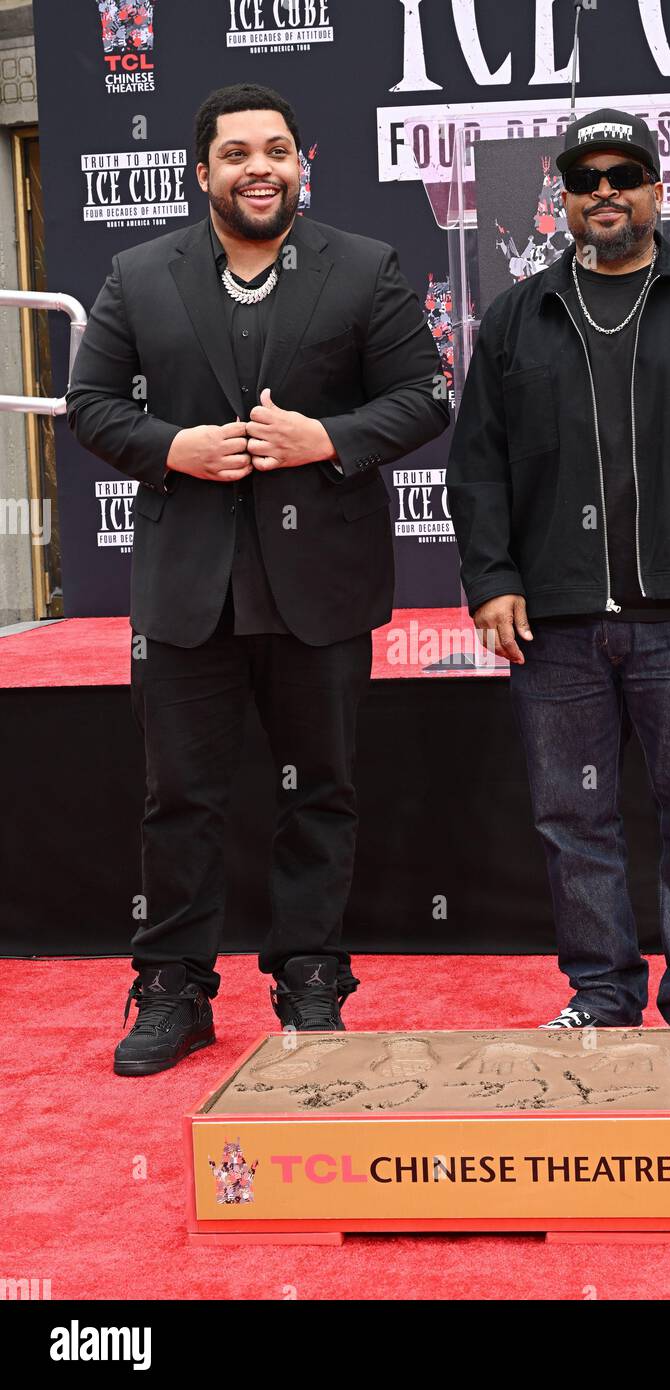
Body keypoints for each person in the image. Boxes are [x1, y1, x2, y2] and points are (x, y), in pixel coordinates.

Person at [66, 83, 450, 1075]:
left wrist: (329, 437)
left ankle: (312, 974)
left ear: (298, 163)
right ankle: (174, 988)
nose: (259, 167)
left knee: (319, 790)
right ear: (202, 174)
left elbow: (422, 398)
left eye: (276, 149)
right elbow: (91, 405)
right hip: (189, 591)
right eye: (236, 153)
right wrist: (172, 447)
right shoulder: (138, 274)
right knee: (179, 797)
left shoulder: (366, 269)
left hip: (320, 585)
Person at [447, 108, 670, 1078]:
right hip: (558, 623)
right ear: (561, 198)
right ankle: (603, 996)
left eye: (624, 174)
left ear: (657, 191)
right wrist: (490, 580)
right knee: (574, 819)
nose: (604, 190)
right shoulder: (519, 317)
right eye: (584, 177)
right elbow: (475, 466)